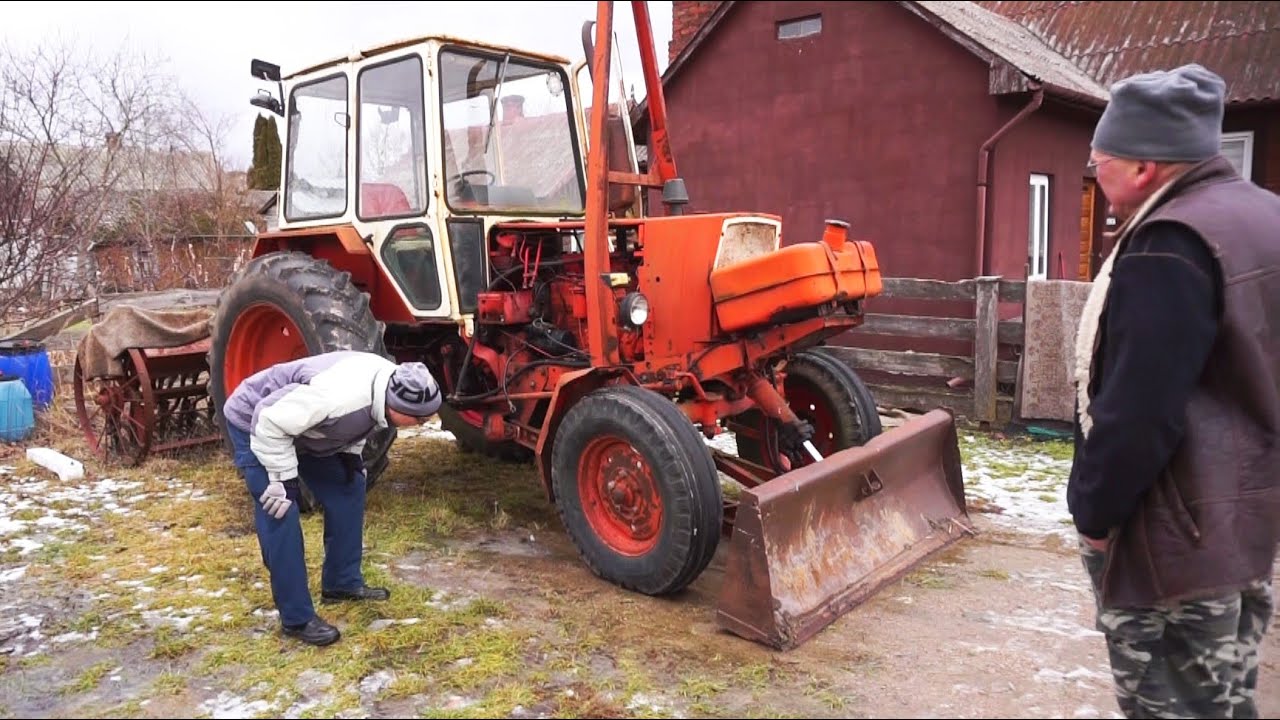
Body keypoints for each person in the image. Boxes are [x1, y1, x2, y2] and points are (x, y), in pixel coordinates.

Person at [1068, 62, 1280, 718]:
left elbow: (1138, 412)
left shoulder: (1169, 244)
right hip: (1240, 523)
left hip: (1172, 544)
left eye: (1098, 158)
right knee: (1220, 703)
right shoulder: (1262, 216)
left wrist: (1096, 517)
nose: (1092, 172)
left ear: (1144, 167)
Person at [222, 350, 442, 647]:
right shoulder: (338, 398)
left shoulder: (387, 387)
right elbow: (270, 418)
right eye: (420, 417)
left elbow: (358, 424)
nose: (425, 421)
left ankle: (341, 583)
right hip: (257, 423)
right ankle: (296, 619)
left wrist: (351, 456)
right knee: (280, 509)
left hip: (302, 426)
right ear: (396, 404)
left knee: (350, 486)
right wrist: (281, 478)